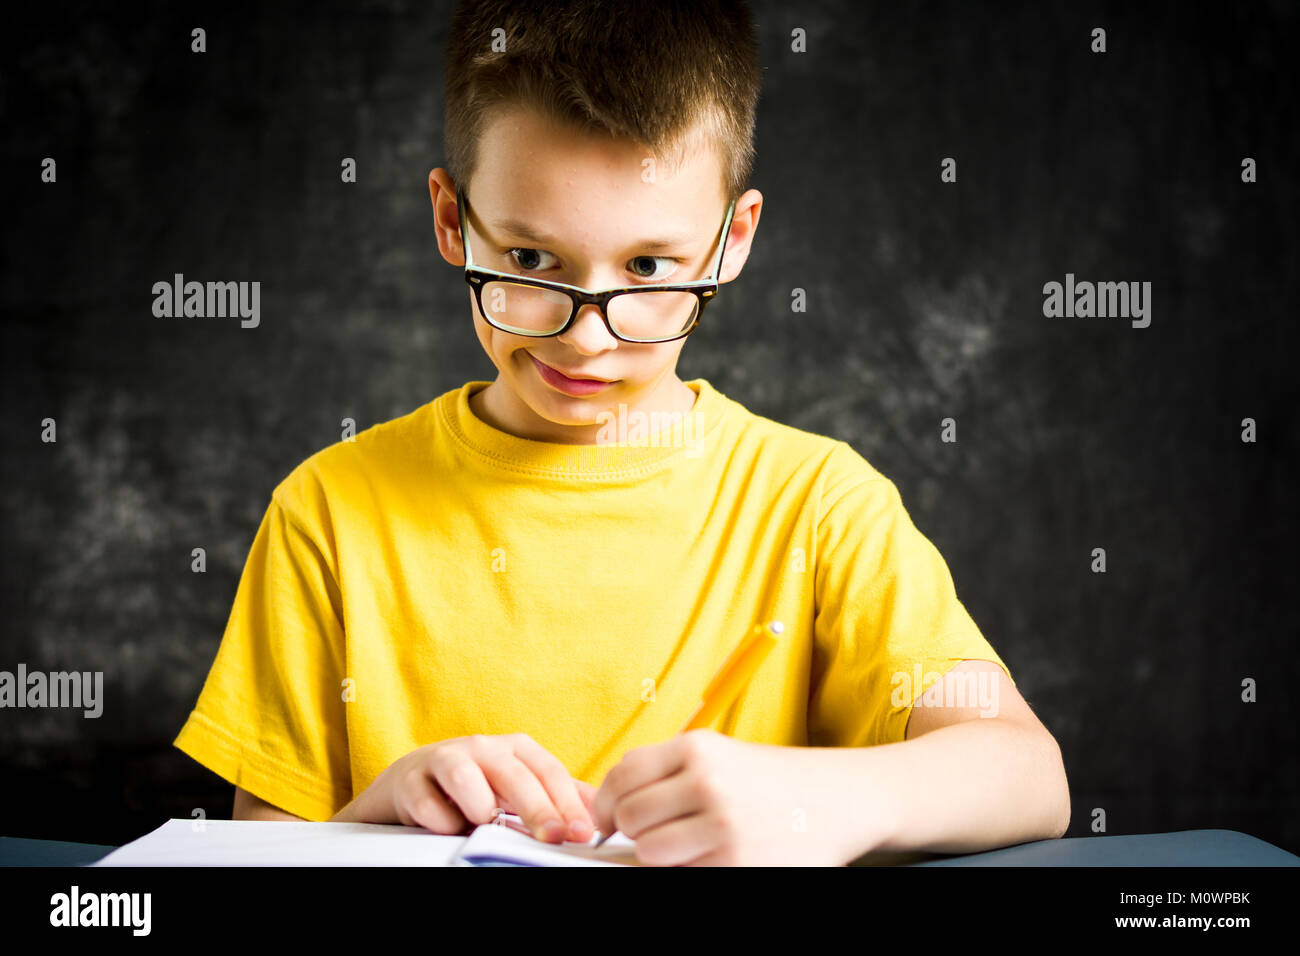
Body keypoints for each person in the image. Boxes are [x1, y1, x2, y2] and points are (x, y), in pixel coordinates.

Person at [174, 0, 1069, 866]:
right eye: (529, 261)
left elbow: (1029, 775)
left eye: (648, 266)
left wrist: (820, 803)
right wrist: (378, 814)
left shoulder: (820, 508)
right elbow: (259, 855)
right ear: (452, 221)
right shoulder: (328, 512)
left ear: (732, 240)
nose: (586, 337)